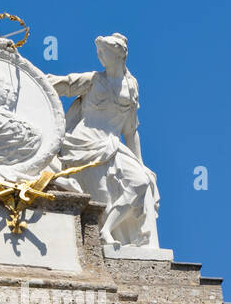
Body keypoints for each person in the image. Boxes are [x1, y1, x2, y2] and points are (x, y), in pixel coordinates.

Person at [47, 34, 160, 248]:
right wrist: (20, 68)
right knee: (102, 198)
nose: (100, 56)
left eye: (104, 52)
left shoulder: (132, 87)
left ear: (119, 55)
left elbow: (130, 130)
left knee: (141, 181)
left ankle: (107, 229)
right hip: (84, 144)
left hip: (113, 144)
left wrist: (141, 163)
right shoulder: (93, 80)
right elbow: (57, 84)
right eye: (98, 52)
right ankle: (103, 237)